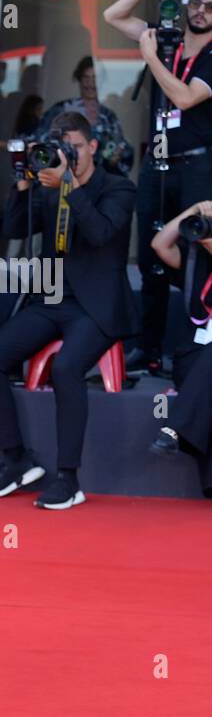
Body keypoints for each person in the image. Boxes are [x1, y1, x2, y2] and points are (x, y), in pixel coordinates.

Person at [0, 111, 137, 510]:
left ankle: (69, 478)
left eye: (75, 148)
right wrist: (24, 185)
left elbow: (99, 233)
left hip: (96, 304)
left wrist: (69, 184)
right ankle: (16, 459)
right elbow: (13, 229)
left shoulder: (118, 188)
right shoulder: (48, 186)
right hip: (51, 297)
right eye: (62, 148)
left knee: (65, 369)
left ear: (93, 147)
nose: (68, 156)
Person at [106, 0, 212, 377]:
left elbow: (184, 98)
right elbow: (112, 16)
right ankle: (148, 350)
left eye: (209, 7)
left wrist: (151, 58)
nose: (200, 11)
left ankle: (191, 349)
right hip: (158, 160)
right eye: (195, 3)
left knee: (195, 252)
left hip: (198, 166)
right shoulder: (168, 36)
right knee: (150, 253)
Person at [149, 199, 212, 496]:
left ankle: (174, 428)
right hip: (195, 353)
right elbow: (160, 244)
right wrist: (194, 211)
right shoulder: (193, 257)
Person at [36, 57, 134, 176]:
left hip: (101, 184)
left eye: (95, 78)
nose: (90, 83)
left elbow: (123, 150)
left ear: (101, 81)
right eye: (86, 77)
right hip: (65, 180)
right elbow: (39, 142)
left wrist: (119, 155)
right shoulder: (61, 109)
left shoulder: (108, 116)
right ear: (79, 79)